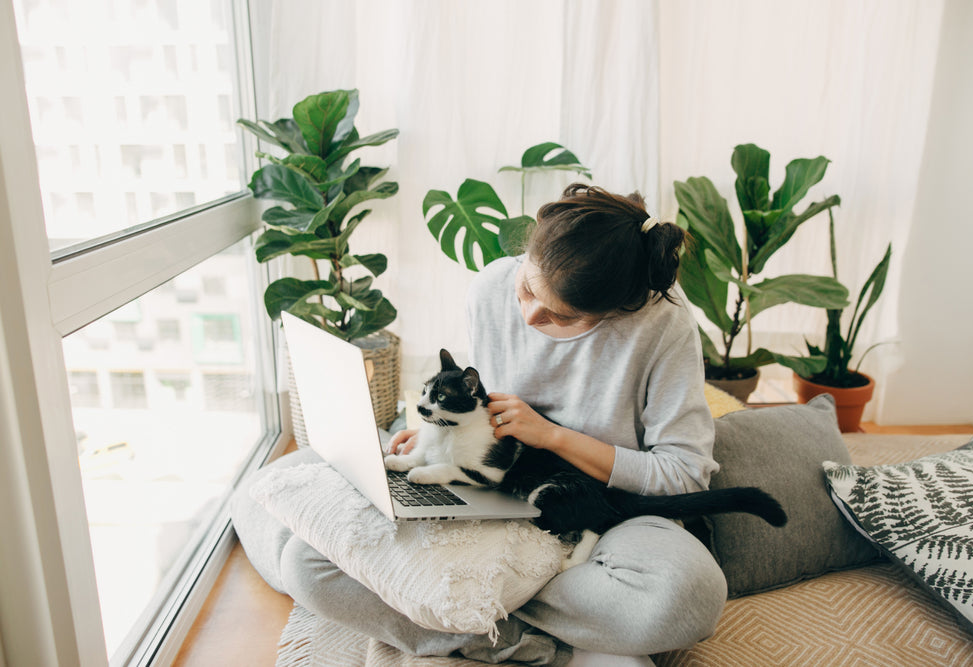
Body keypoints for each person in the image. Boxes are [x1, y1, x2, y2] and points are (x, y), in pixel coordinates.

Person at [232, 184, 727, 666]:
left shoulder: (663, 325)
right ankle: (538, 639)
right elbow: (478, 397)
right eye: (527, 288)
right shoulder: (492, 284)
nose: (530, 316)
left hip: (590, 509)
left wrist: (553, 436)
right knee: (303, 553)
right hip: (487, 488)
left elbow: (683, 473)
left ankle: (465, 613)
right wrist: (433, 434)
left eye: (561, 317)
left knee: (686, 596)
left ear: (615, 311)